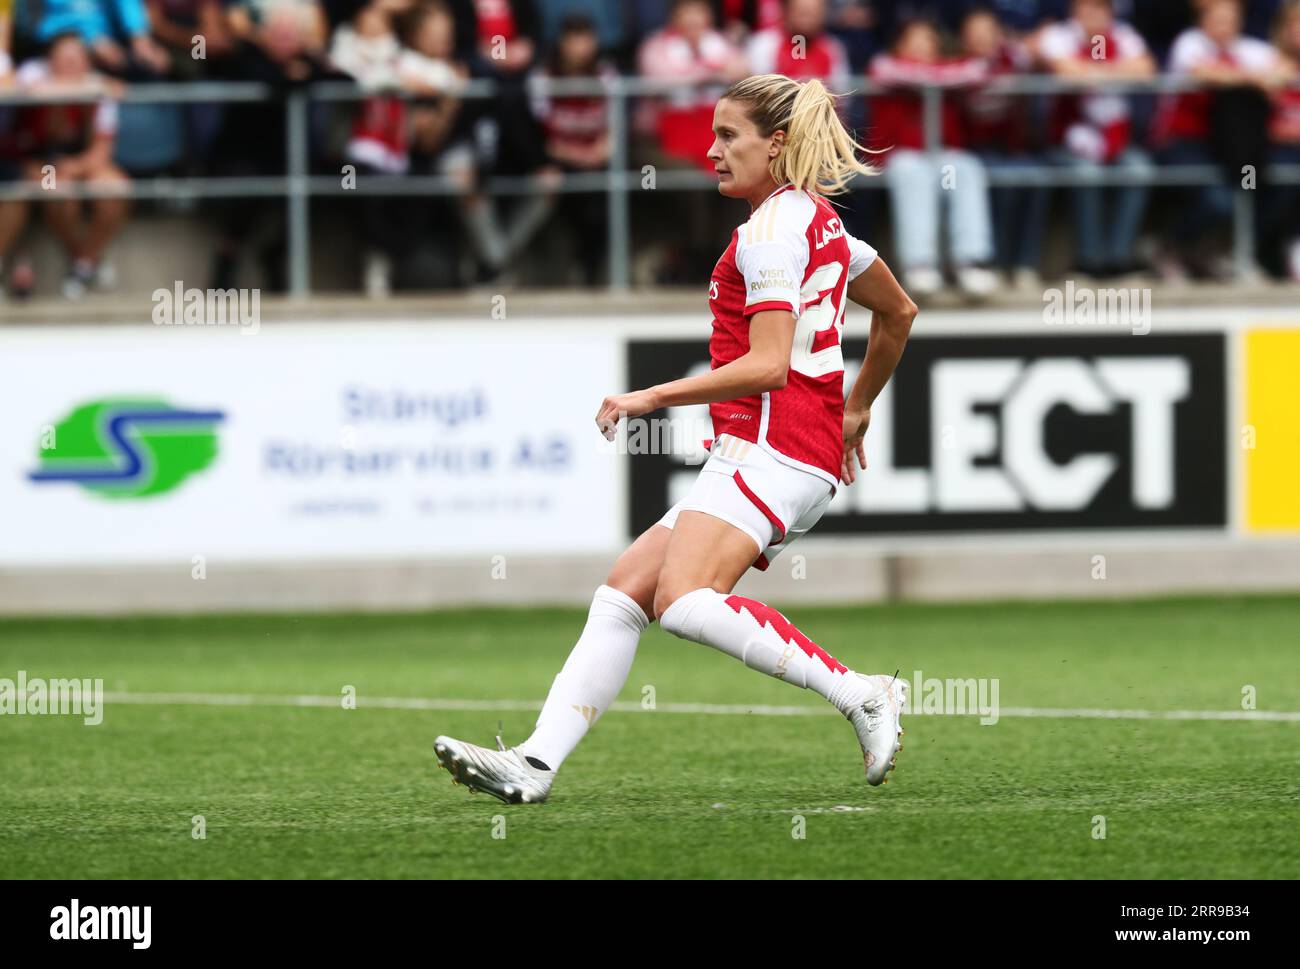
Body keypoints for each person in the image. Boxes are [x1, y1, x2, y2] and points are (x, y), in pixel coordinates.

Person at [433, 73, 918, 805]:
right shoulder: (820, 223)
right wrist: (857, 407)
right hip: (787, 448)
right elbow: (900, 312)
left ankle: (861, 691)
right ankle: (534, 763)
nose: (712, 150)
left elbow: (767, 364)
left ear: (776, 144)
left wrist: (651, 396)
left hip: (774, 448)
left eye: (730, 136)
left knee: (685, 599)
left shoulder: (769, 234)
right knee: (623, 594)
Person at [1153, 0, 1287, 280]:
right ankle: (1169, 246)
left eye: (1230, 20)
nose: (1224, 27)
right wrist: (1251, 78)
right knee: (1220, 200)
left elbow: (1282, 73)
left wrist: (1262, 77)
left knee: (1258, 185)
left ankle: (1236, 253)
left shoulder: (1250, 48)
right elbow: (1205, 73)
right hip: (1182, 141)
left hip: (1229, 145)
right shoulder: (1190, 42)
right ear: (1203, 22)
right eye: (1218, 20)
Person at [867, 18, 999, 299]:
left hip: (943, 158)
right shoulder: (886, 64)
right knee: (914, 174)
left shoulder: (952, 67)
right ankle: (920, 265)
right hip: (902, 156)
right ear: (899, 44)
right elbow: (884, 72)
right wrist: (934, 77)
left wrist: (930, 76)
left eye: (926, 40)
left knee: (967, 168)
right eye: (912, 40)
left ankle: (970, 262)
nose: (920, 46)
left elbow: (978, 72)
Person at [1034, 0, 1156, 278]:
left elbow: (1146, 68)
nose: (1092, 16)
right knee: (1086, 173)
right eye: (1086, 9)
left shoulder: (1124, 35)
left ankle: (1118, 258)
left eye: (1099, 9)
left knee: (1139, 170)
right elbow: (1064, 71)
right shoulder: (1059, 35)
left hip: (1116, 141)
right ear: (1075, 12)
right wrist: (1114, 72)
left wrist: (1092, 73)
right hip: (1067, 139)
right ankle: (1088, 260)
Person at [12, 32, 129, 299]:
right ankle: (85, 260)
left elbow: (101, 151)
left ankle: (83, 264)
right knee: (57, 190)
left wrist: (75, 167)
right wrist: (83, 88)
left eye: (76, 60)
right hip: (43, 162)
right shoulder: (33, 73)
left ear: (86, 62)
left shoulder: (98, 87)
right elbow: (24, 90)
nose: (69, 66)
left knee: (114, 188)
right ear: (49, 61)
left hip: (81, 161)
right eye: (63, 60)